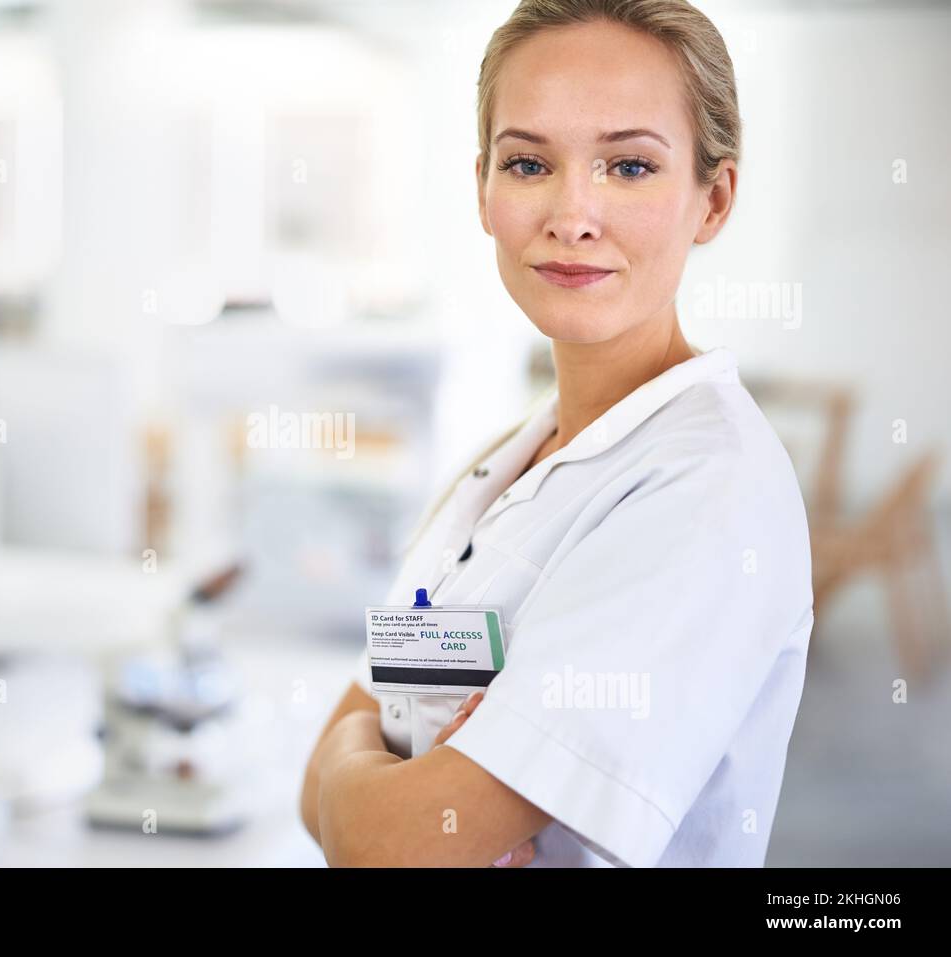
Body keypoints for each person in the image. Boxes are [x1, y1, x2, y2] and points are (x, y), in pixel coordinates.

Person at [299, 0, 814, 868]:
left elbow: (389, 842)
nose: (572, 215)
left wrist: (359, 783)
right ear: (483, 190)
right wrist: (363, 779)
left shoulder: (706, 489)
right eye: (530, 162)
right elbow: (338, 753)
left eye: (629, 165)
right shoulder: (501, 466)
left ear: (714, 198)